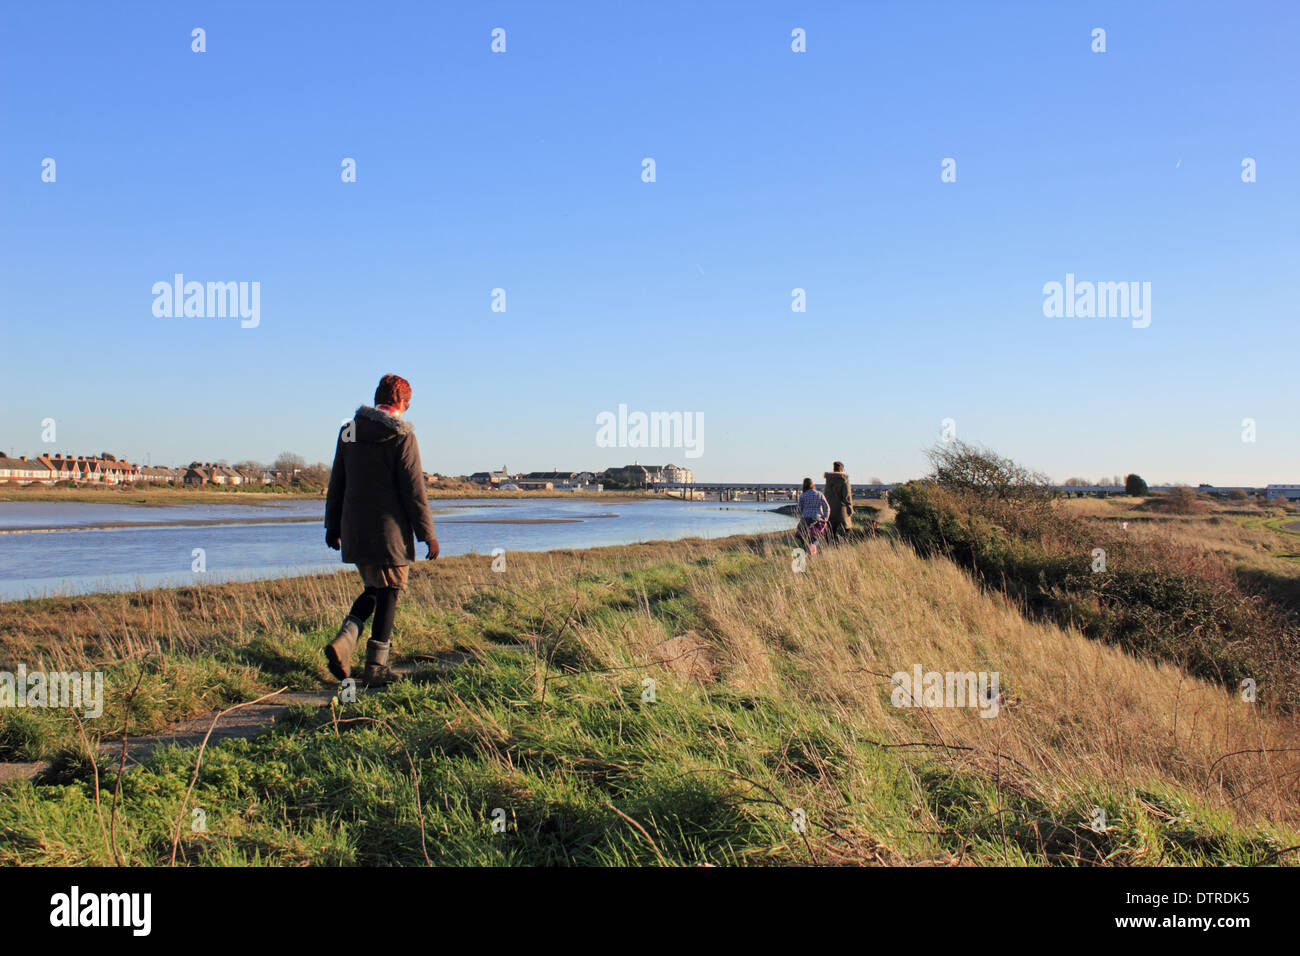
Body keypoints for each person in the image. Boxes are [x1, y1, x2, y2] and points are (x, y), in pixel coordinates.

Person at [323, 374, 438, 685]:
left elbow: (337, 484)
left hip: (355, 529)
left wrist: (332, 526)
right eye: (409, 402)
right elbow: (414, 490)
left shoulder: (348, 431)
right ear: (400, 400)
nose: (409, 408)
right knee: (390, 591)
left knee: (375, 588)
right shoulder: (402, 436)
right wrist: (427, 534)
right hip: (390, 534)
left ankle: (344, 643)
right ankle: (376, 668)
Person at [795, 477, 830, 554]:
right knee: (815, 537)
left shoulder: (803, 495)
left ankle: (806, 548)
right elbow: (827, 507)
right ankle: (812, 546)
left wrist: (800, 514)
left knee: (799, 535)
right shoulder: (819, 494)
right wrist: (825, 518)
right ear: (812, 485)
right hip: (817, 519)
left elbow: (799, 509)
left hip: (805, 518)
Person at [824, 461, 854, 541]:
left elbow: (826, 495)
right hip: (841, 510)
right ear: (842, 469)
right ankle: (844, 549)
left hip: (830, 510)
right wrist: (850, 509)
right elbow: (847, 496)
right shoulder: (843, 480)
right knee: (847, 531)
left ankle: (830, 548)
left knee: (830, 532)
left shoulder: (828, 480)